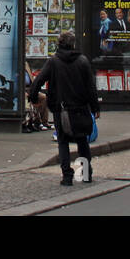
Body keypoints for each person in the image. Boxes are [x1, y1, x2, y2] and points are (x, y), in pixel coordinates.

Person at [28, 31, 100, 186]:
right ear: (73, 44)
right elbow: (91, 87)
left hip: (61, 109)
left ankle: (67, 176)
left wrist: (33, 97)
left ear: (59, 44)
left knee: (63, 141)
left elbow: (39, 80)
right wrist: (95, 107)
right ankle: (86, 173)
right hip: (80, 107)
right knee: (82, 141)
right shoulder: (82, 61)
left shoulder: (54, 62)